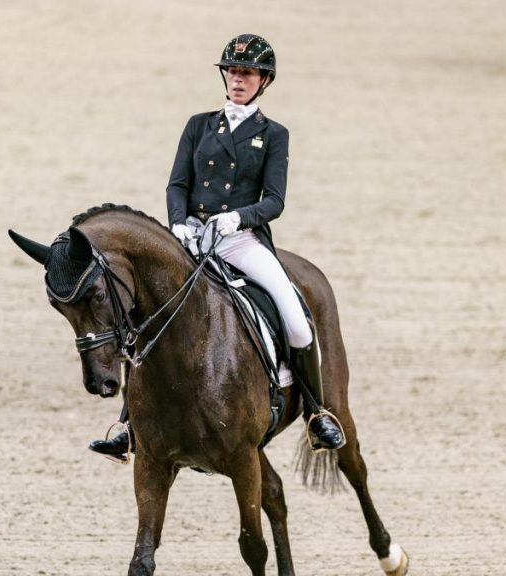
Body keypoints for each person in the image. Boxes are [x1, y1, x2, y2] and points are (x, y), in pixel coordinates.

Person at [89, 33, 345, 461]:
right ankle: (127, 425)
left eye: (246, 73)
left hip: (241, 242)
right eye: (231, 71)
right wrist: (179, 225)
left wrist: (238, 218)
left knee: (298, 323)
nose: (237, 79)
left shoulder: (274, 134)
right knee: (149, 316)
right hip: (193, 240)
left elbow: (274, 200)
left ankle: (317, 414)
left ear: (264, 80)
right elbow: (178, 184)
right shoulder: (198, 125)